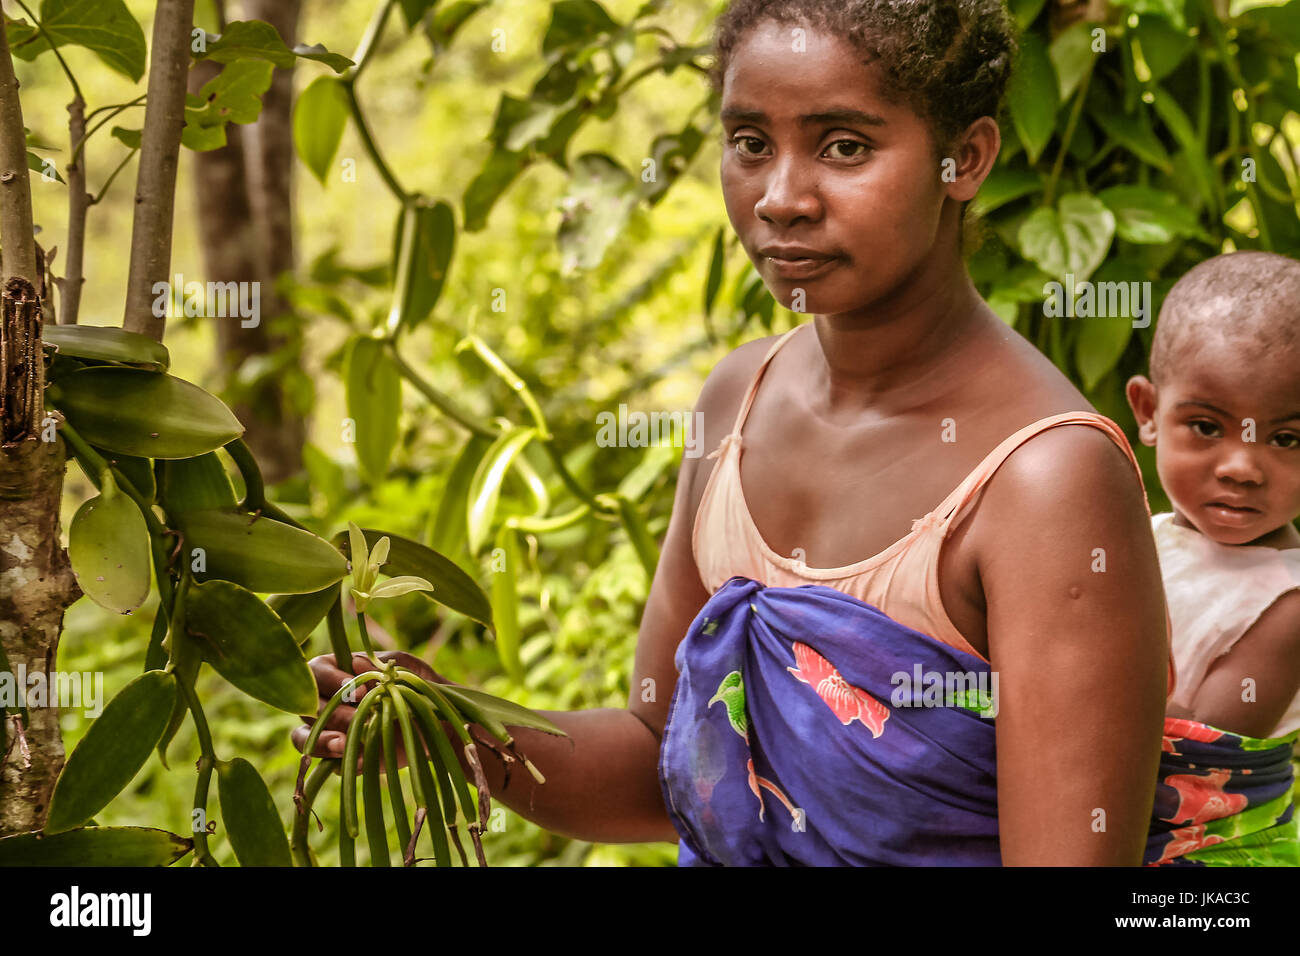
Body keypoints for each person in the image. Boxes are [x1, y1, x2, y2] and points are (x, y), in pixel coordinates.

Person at [294, 0, 1171, 865]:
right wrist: (455, 728)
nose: (782, 199)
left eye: (845, 147)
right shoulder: (737, 402)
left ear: (965, 160)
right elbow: (657, 757)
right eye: (751, 144)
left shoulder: (1046, 482)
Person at [1126, 251, 1300, 866]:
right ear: (1148, 413)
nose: (1242, 467)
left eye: (1286, 439)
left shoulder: (1287, 601)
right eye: (1205, 426)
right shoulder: (1138, 536)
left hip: (1222, 852)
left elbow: (1197, 748)